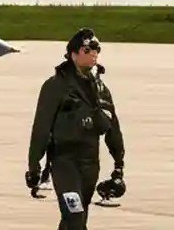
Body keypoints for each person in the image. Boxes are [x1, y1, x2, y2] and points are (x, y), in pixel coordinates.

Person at [25, 27, 125, 229]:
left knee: (76, 220)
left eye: (97, 50)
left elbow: (113, 128)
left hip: (90, 163)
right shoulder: (55, 87)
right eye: (88, 50)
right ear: (73, 54)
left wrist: (119, 163)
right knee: (75, 214)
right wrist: (34, 164)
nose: (94, 54)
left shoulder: (101, 90)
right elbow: (41, 127)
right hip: (64, 162)